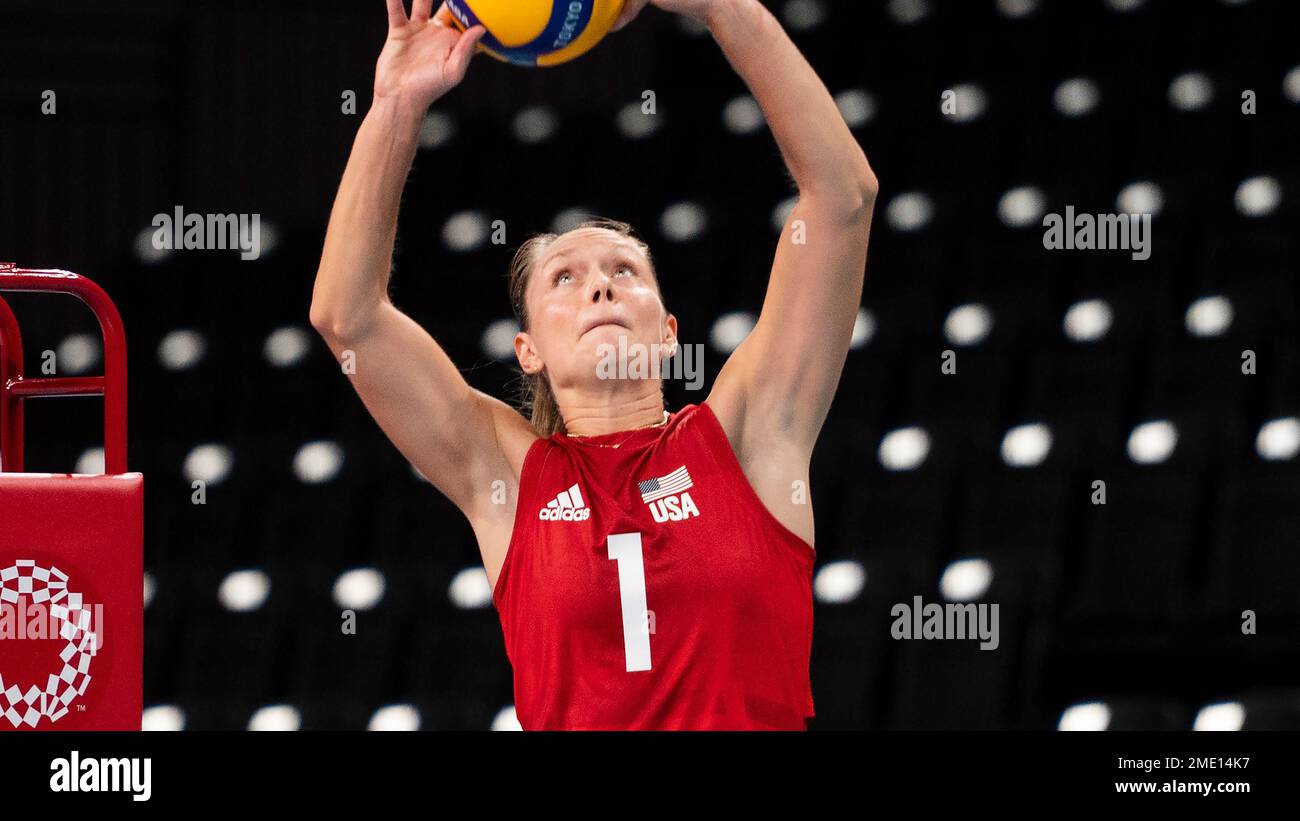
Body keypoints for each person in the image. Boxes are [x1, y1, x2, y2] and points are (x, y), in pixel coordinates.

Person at [310, 0, 878, 729]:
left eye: (624, 270)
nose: (601, 284)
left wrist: (724, 10)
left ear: (668, 332)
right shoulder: (508, 479)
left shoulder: (747, 434)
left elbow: (843, 200)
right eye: (564, 278)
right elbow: (346, 317)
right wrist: (394, 106)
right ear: (530, 352)